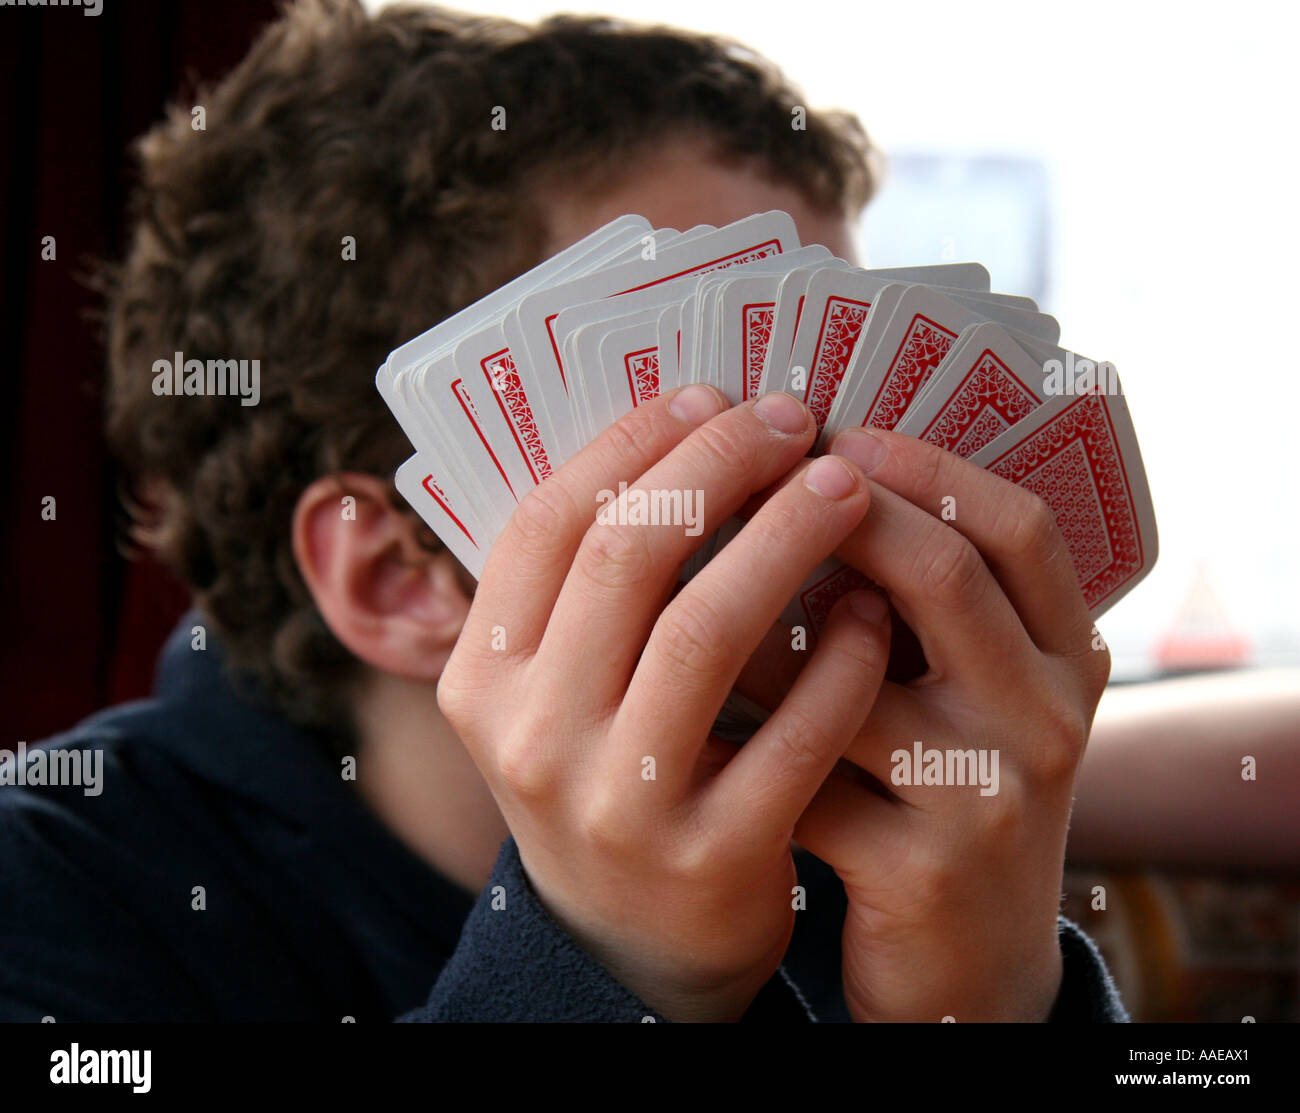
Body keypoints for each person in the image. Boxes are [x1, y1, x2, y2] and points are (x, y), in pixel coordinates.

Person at [0, 0, 1125, 1022]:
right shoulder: (47, 902)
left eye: (849, 363)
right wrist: (616, 968)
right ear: (403, 577)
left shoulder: (900, 852)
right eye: (732, 423)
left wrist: (996, 1007)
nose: (852, 495)